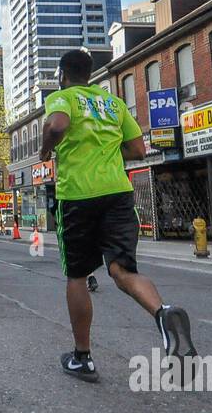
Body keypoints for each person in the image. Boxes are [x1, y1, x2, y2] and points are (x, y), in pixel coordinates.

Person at [40, 48, 196, 383]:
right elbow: (139, 149)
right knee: (122, 270)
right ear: (91, 74)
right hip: (118, 194)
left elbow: (57, 125)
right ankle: (163, 314)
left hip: (78, 197)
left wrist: (46, 149)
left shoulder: (63, 97)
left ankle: (82, 358)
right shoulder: (112, 103)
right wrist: (108, 150)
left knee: (77, 276)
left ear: (63, 76)